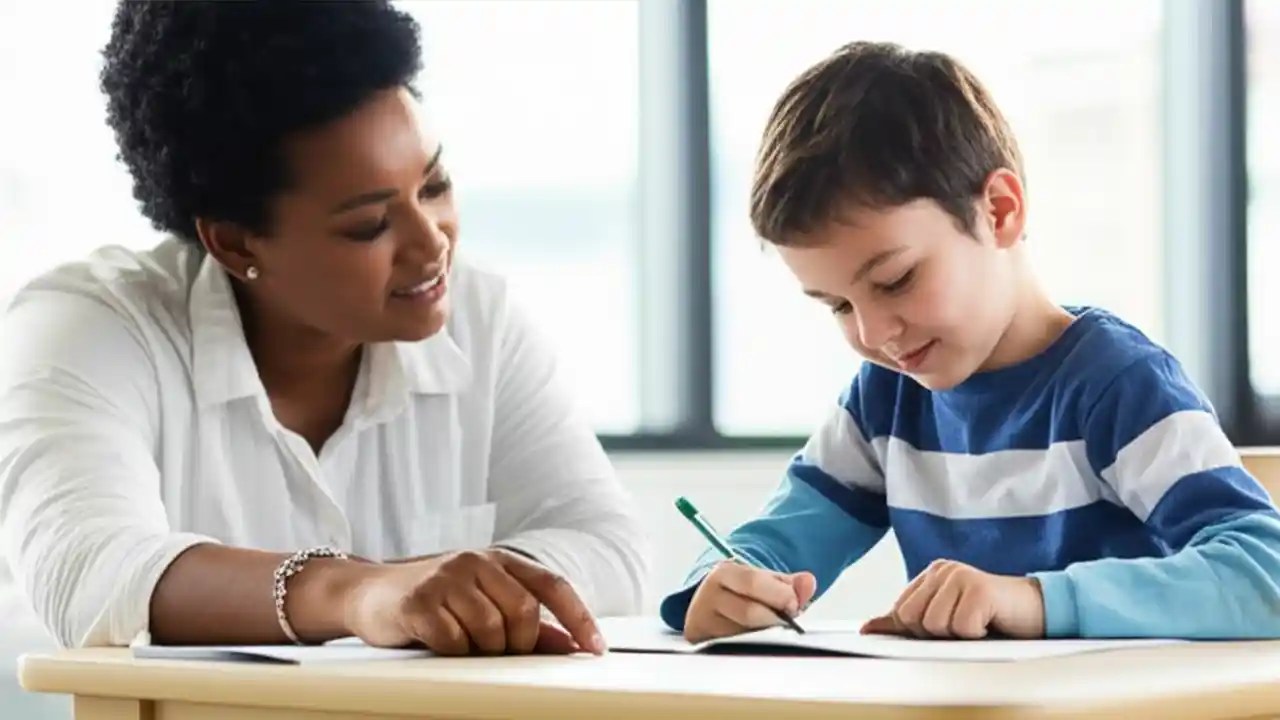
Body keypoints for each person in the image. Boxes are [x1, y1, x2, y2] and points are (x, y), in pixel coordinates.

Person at [0, 0, 647, 656]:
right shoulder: (86, 328)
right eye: (369, 225)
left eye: (435, 186)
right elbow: (88, 573)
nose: (432, 247)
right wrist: (359, 592)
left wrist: (441, 590)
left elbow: (608, 550)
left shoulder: (482, 318)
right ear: (234, 243)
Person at [662, 41, 1280, 642]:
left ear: (1000, 212)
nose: (874, 334)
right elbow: (772, 544)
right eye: (838, 306)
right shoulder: (886, 400)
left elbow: (1265, 575)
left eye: (896, 280)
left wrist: (1032, 600)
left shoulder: (1117, 386)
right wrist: (720, 584)